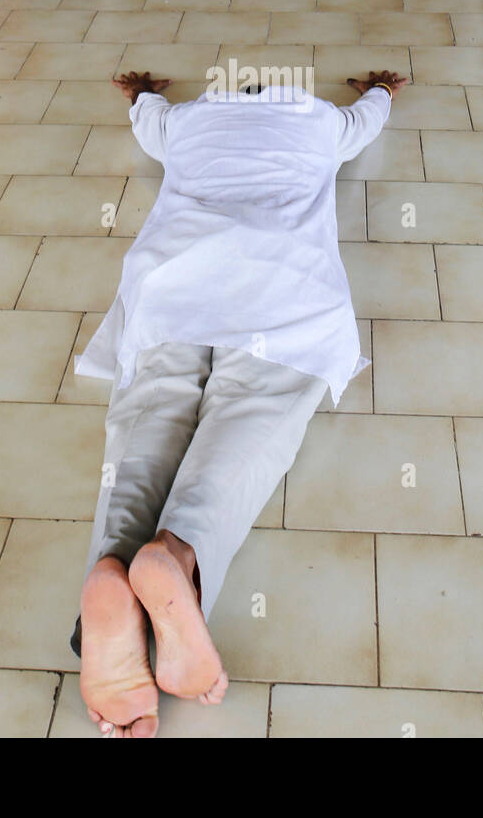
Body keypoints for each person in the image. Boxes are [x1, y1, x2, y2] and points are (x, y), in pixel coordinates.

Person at [71, 67, 407, 738]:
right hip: (280, 286)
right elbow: (368, 119)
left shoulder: (189, 123)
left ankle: (109, 598)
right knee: (249, 416)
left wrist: (142, 91)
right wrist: (380, 90)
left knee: (152, 416)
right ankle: (178, 556)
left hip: (172, 281)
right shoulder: (320, 122)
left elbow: (145, 116)